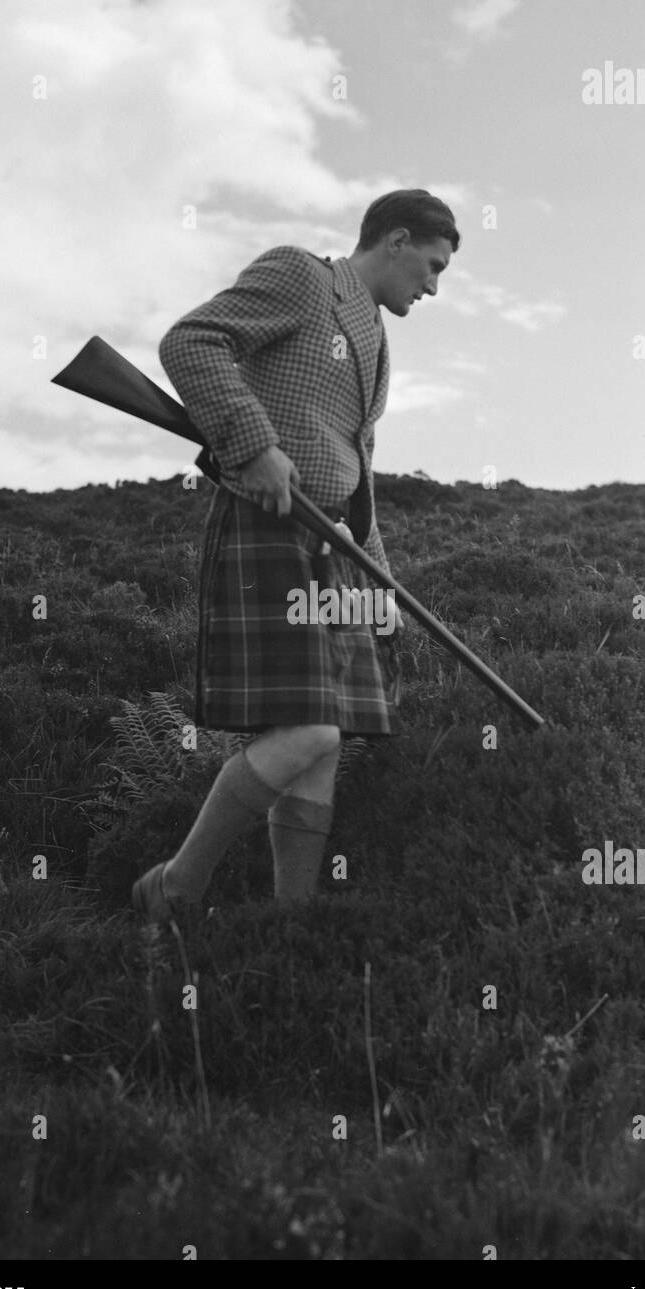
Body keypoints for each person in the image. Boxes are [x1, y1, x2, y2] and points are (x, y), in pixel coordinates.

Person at [131, 189, 459, 921]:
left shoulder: (374, 338)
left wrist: (382, 590)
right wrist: (255, 444)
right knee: (307, 729)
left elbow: (355, 474)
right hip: (267, 527)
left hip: (334, 548)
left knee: (326, 743)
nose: (434, 286)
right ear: (397, 240)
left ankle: (292, 925)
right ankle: (177, 886)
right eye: (432, 267)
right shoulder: (302, 277)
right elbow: (191, 341)